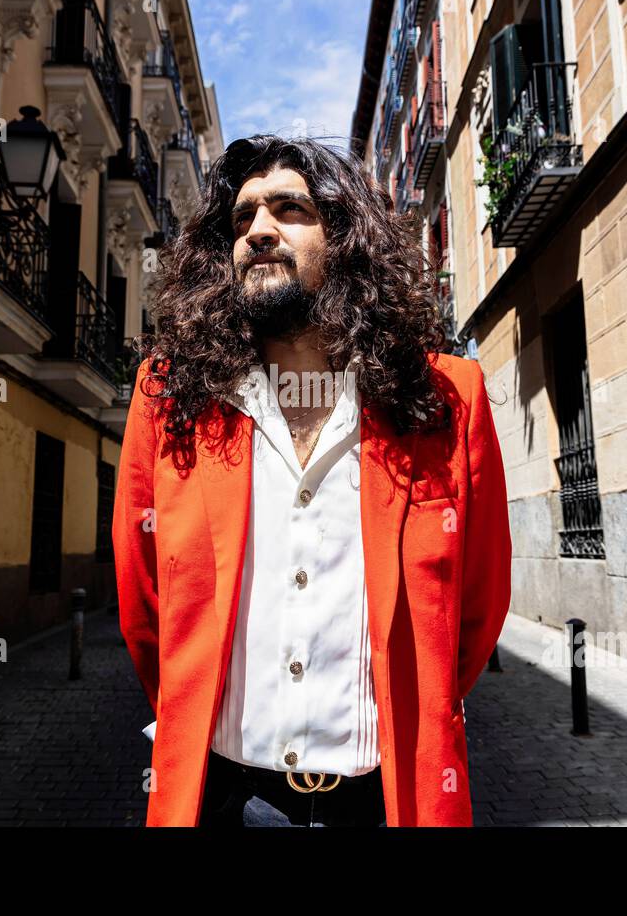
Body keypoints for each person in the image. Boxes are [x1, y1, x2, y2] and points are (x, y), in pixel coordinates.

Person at [113, 134, 511, 826]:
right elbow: (144, 610)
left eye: (288, 210)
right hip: (223, 803)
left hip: (386, 805)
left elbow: (474, 613)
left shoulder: (446, 400)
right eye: (242, 220)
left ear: (347, 237)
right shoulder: (170, 399)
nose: (259, 231)